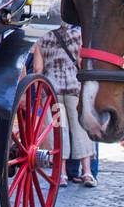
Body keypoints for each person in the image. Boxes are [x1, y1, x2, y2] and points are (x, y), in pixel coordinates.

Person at [33, 18, 96, 187]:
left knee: (59, 131)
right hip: (74, 88)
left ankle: (61, 175)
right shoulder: (78, 35)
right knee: (80, 128)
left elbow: (38, 69)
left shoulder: (42, 37)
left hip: (52, 91)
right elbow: (83, 63)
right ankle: (87, 172)